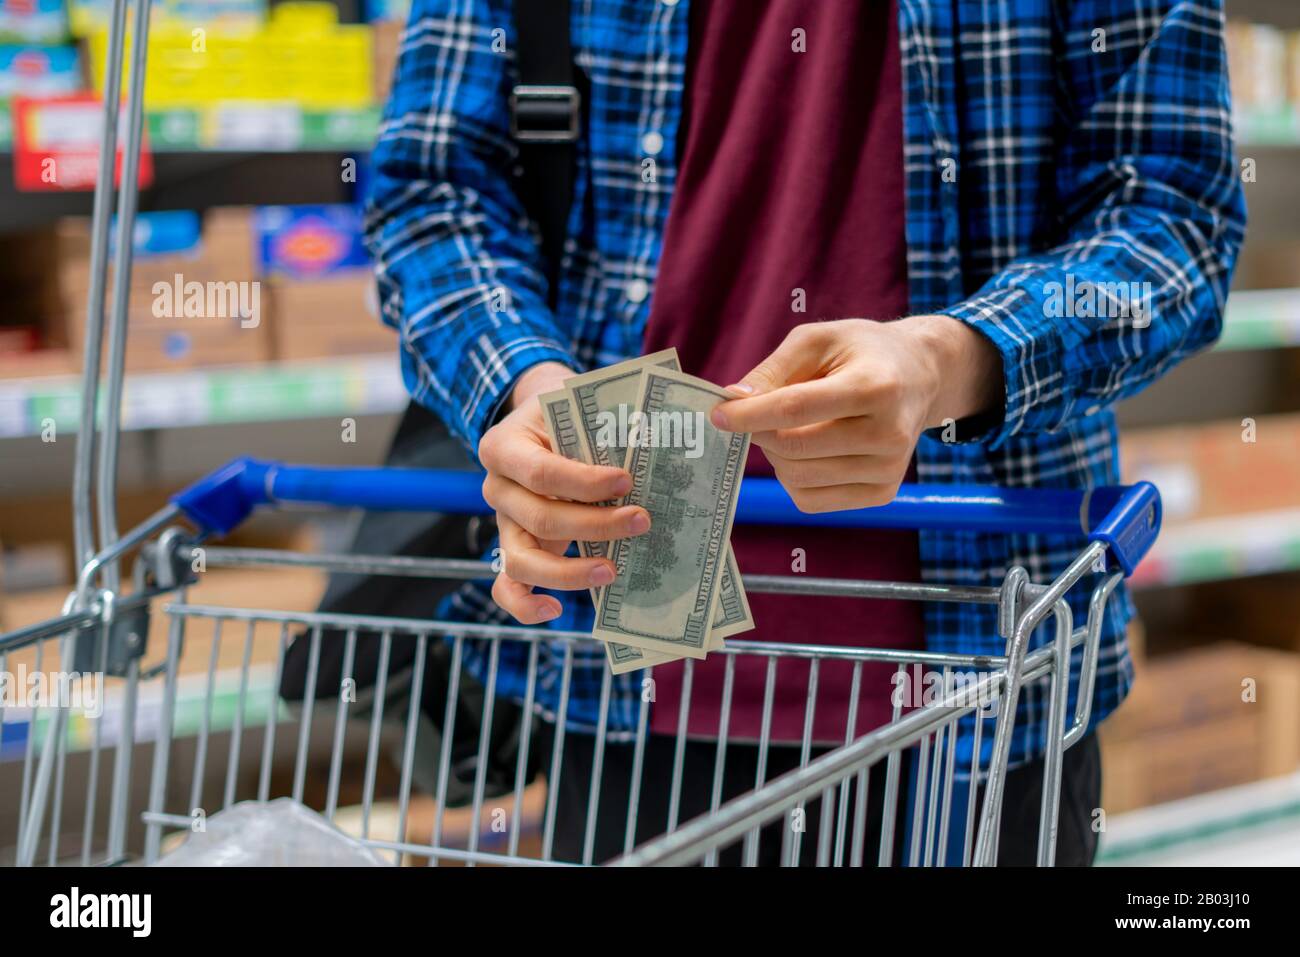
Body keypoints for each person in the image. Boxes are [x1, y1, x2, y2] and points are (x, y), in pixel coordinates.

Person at [365, 0, 1245, 865]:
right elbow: (437, 192)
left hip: (985, 680)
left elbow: (1176, 221)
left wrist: (956, 358)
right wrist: (530, 386)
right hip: (626, 649)